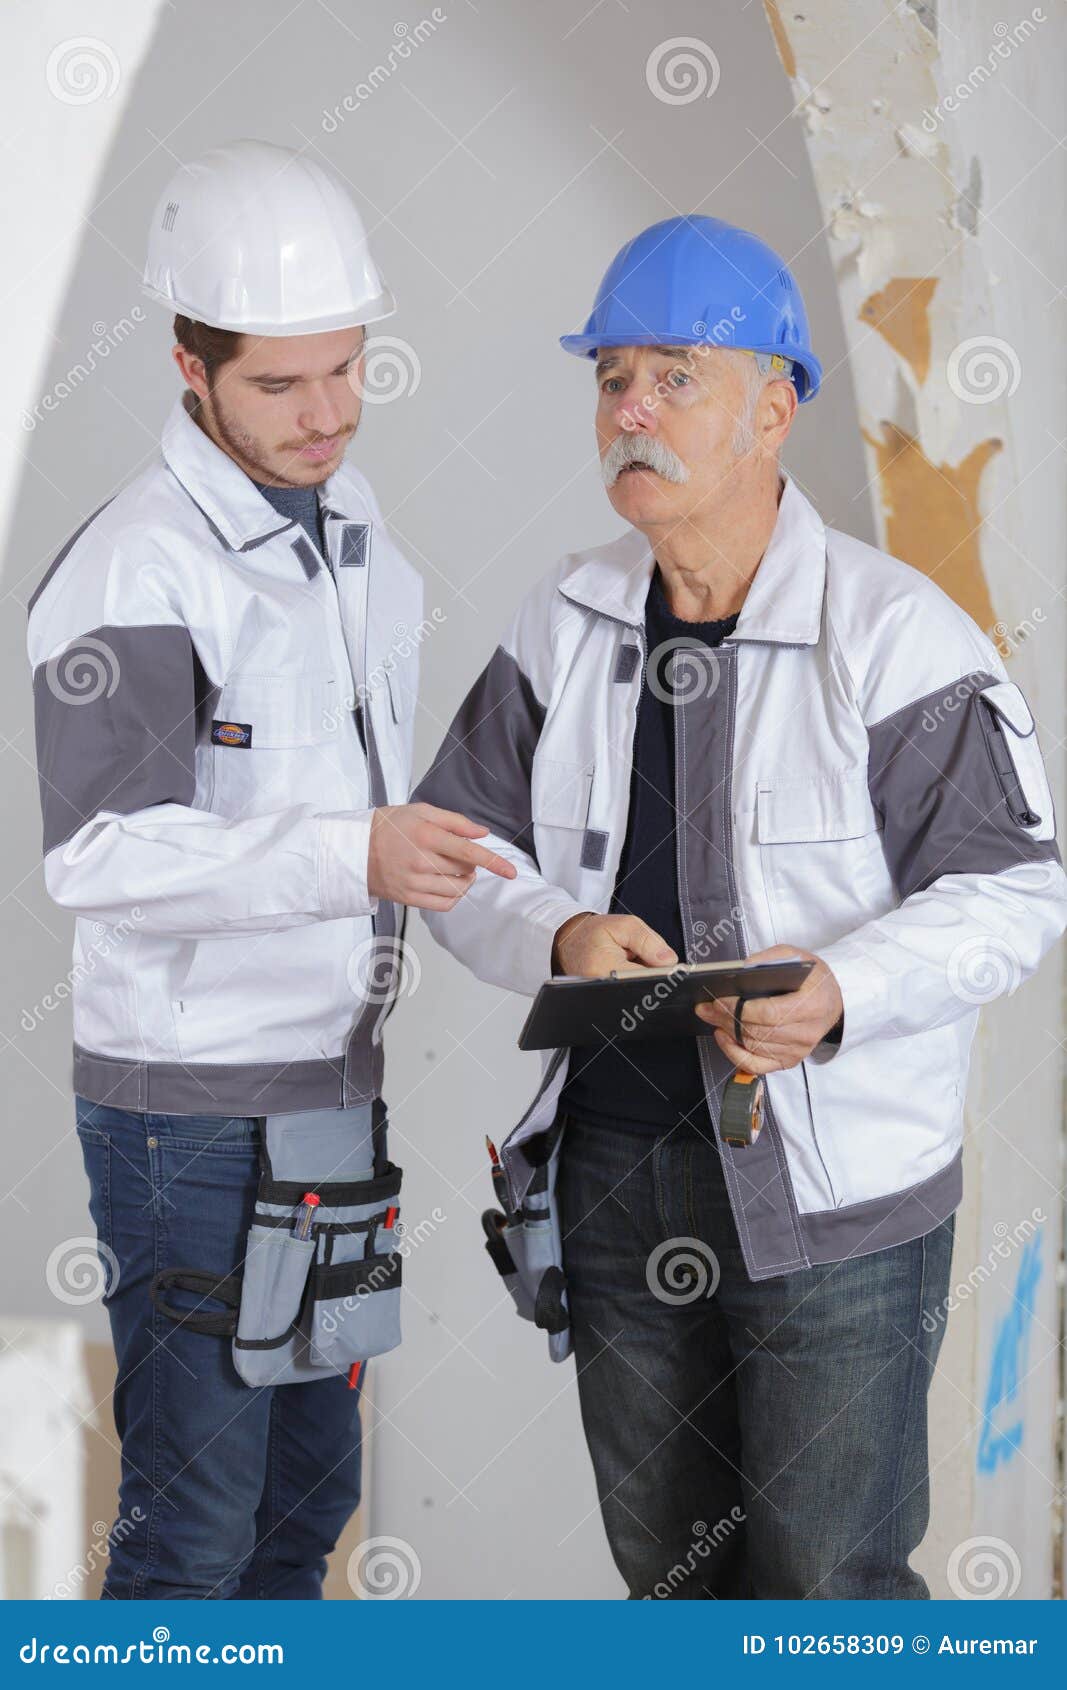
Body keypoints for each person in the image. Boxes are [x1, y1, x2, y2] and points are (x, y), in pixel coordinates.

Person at [412, 215, 1067, 1598]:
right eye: (612, 380)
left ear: (775, 410)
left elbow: (1013, 890)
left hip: (835, 1199)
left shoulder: (895, 637)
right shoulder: (562, 619)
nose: (630, 412)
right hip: (616, 1177)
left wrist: (843, 994)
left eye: (674, 378)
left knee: (829, 1585)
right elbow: (453, 851)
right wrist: (559, 933)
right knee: (669, 1583)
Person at [27, 138, 512, 1599]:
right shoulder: (137, 565)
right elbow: (98, 851)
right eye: (282, 385)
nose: (328, 414)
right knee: (192, 1536)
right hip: (191, 1123)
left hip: (330, 1102)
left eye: (347, 369)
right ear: (191, 368)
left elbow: (370, 800)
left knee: (303, 1513)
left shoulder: (355, 536)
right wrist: (352, 854)